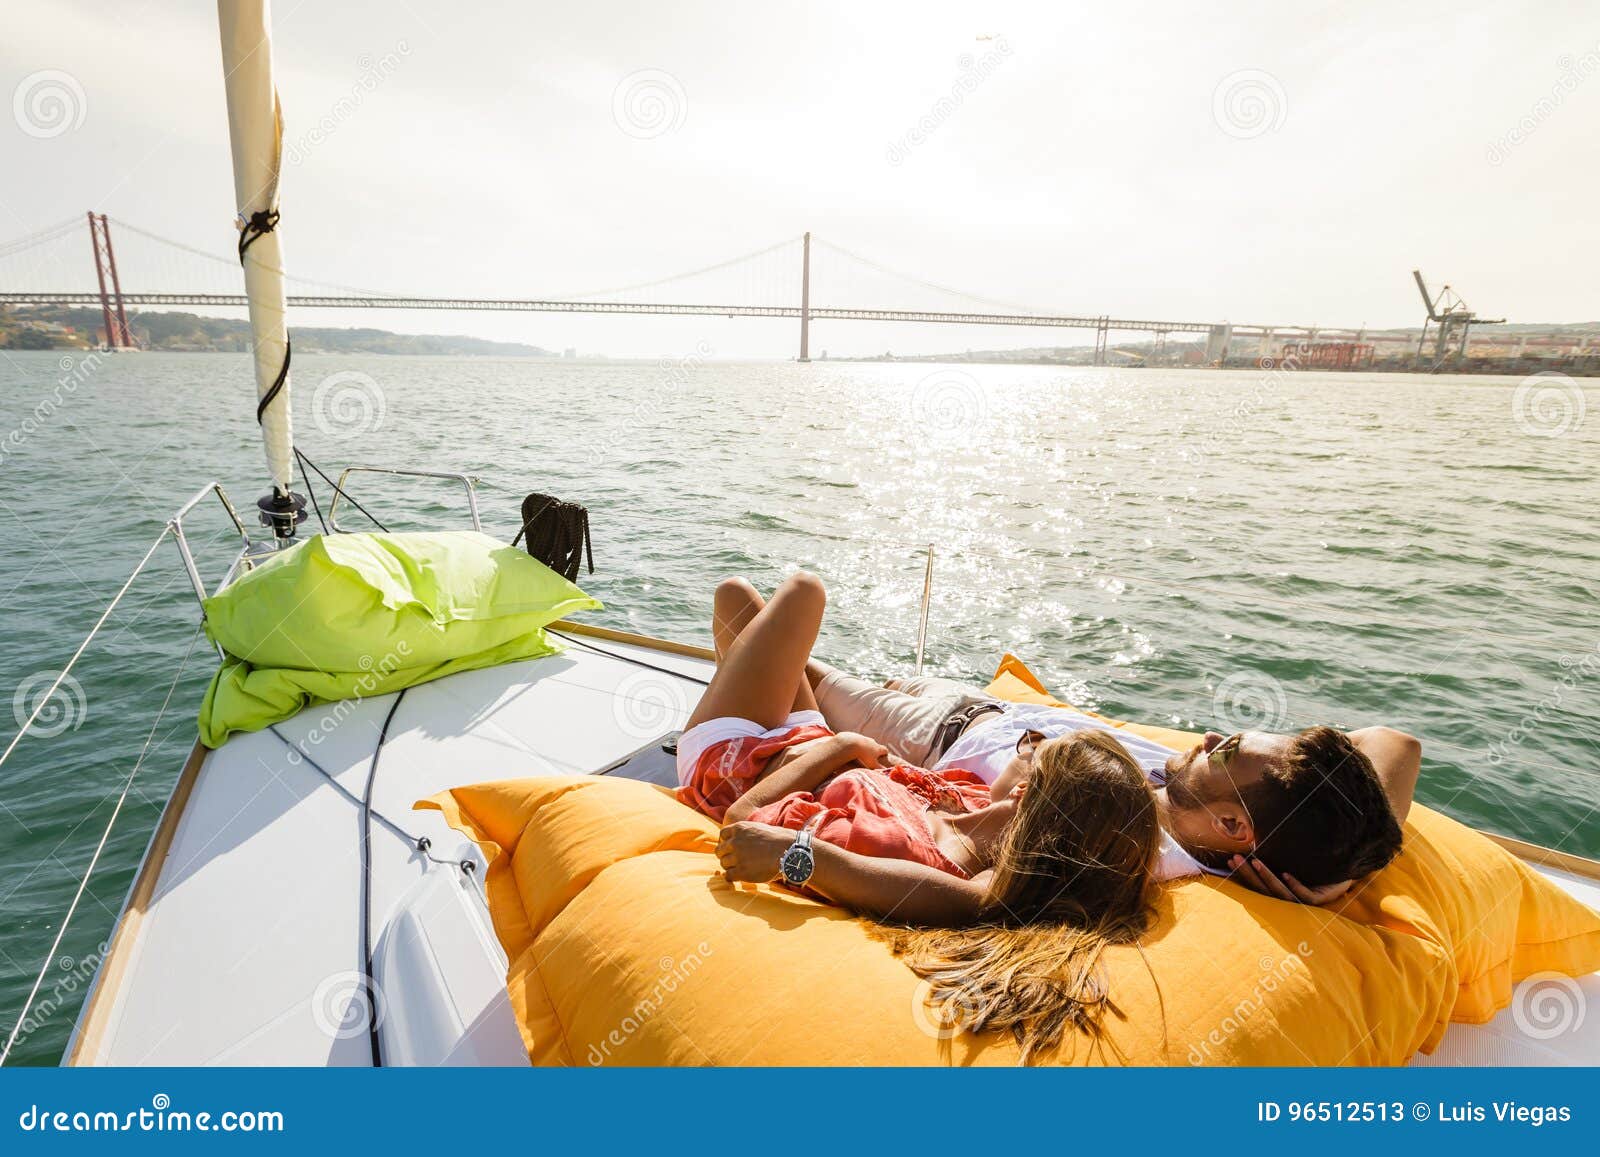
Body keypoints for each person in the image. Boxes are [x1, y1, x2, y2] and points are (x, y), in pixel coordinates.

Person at [676, 573, 1161, 1058]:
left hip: (738, 760)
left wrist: (841, 749)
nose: (1024, 745)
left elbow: (744, 821)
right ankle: (743, 685)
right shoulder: (972, 802)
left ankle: (731, 695)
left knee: (794, 592)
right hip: (811, 741)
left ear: (1025, 788)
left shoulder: (902, 854)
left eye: (1030, 745)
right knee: (743, 603)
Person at [806, 654, 1419, 904]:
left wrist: (799, 860)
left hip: (935, 732)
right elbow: (1398, 742)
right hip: (984, 705)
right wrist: (1348, 877)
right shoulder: (1218, 812)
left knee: (765, 627)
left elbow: (980, 901)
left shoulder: (1130, 840)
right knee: (878, 673)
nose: (1206, 737)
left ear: (1234, 825)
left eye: (1225, 751)